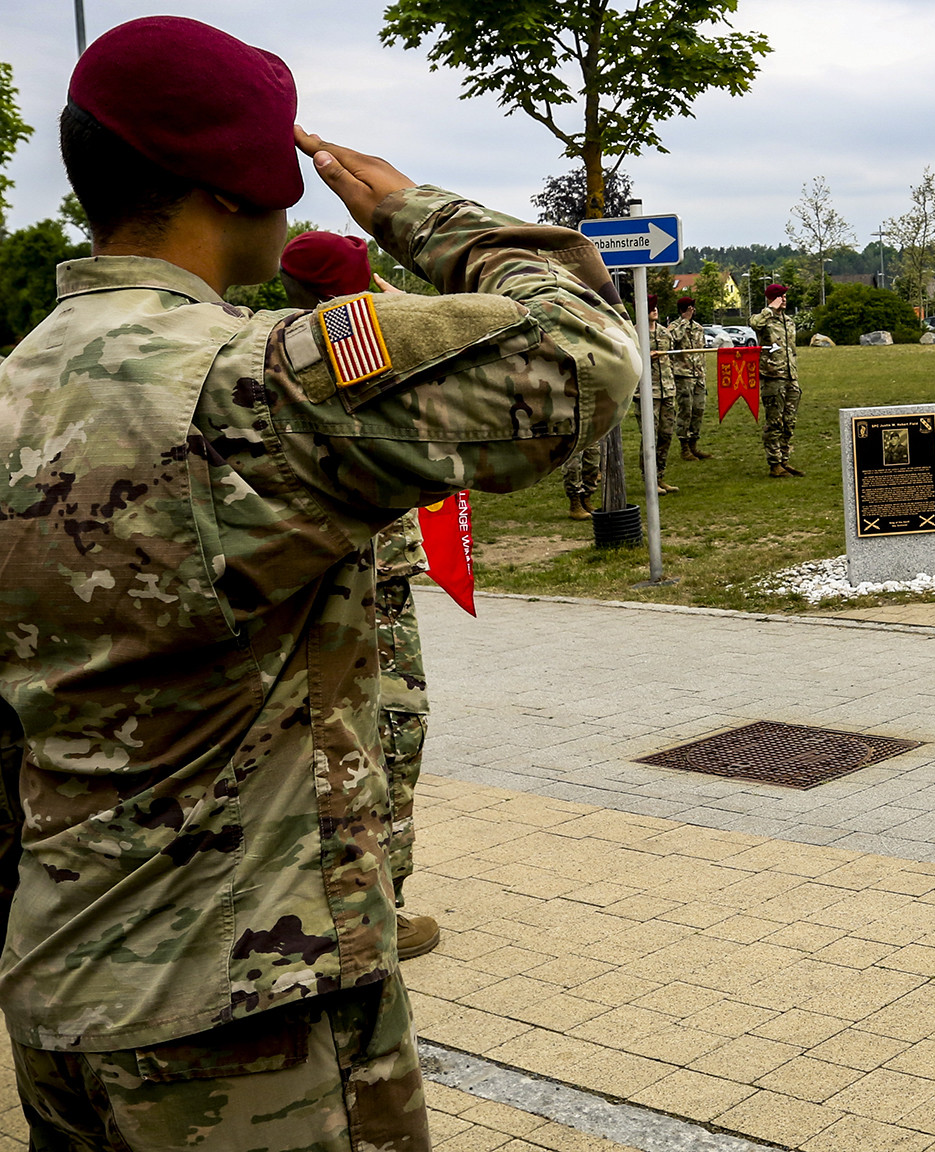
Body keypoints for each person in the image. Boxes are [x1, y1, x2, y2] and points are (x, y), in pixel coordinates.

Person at [0, 16, 638, 1150]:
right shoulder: (253, 385)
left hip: (57, 992)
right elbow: (583, 352)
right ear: (238, 183)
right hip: (248, 1011)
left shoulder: (16, 387)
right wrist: (412, 209)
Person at [278, 229, 440, 961]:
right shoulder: (346, 339)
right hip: (369, 572)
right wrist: (382, 301)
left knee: (318, 738)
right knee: (389, 735)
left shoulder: (276, 342)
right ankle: (380, 912)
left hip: (306, 569)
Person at [752, 282, 802, 476]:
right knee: (775, 422)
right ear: (773, 299)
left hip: (790, 376)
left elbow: (792, 349)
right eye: (781, 296)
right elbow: (754, 324)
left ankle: (784, 459)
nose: (785, 300)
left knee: (789, 421)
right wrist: (770, 309)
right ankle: (774, 463)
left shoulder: (788, 321)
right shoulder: (763, 319)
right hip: (773, 377)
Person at [671, 295, 711, 466]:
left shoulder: (698, 328)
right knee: (685, 410)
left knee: (699, 409)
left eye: (693, 308)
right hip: (683, 375)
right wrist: (684, 321)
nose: (692, 311)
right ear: (682, 310)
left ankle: (694, 442)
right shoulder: (675, 326)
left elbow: (701, 351)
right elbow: (674, 339)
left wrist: (702, 372)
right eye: (688, 308)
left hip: (698, 374)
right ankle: (684, 446)